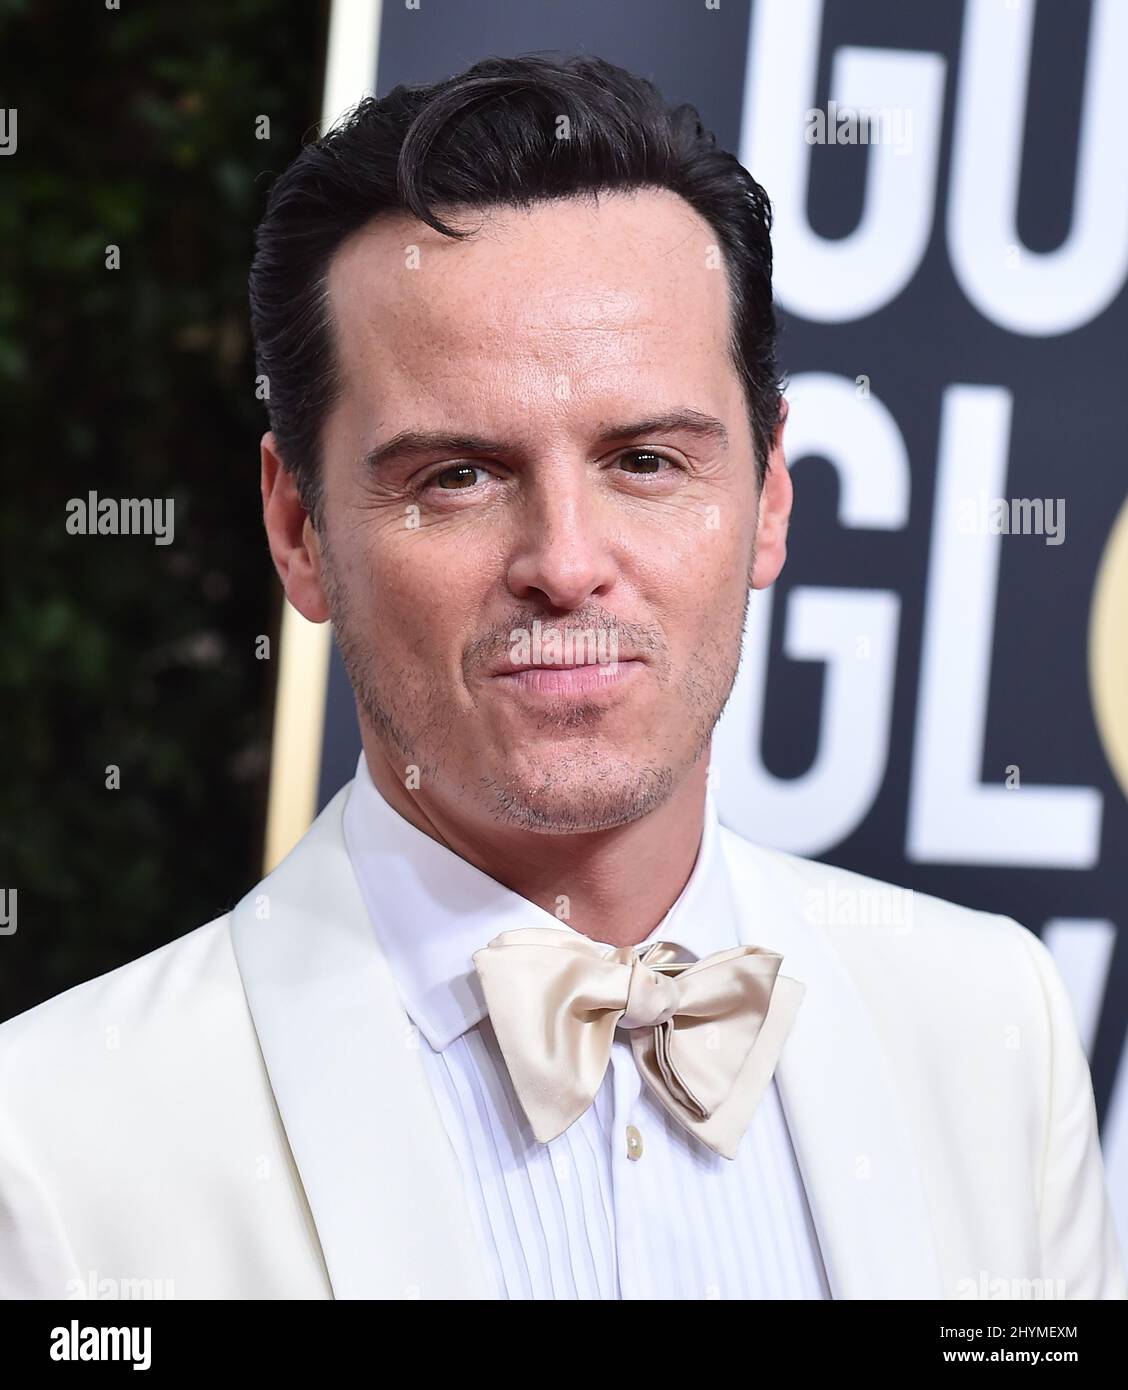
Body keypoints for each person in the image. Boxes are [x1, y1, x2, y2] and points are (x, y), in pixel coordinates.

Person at [1, 53, 1123, 1301]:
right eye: (459, 475)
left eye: (645, 459)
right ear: (299, 530)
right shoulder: (53, 1146)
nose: (567, 565)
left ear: (770, 500)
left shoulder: (993, 1031)